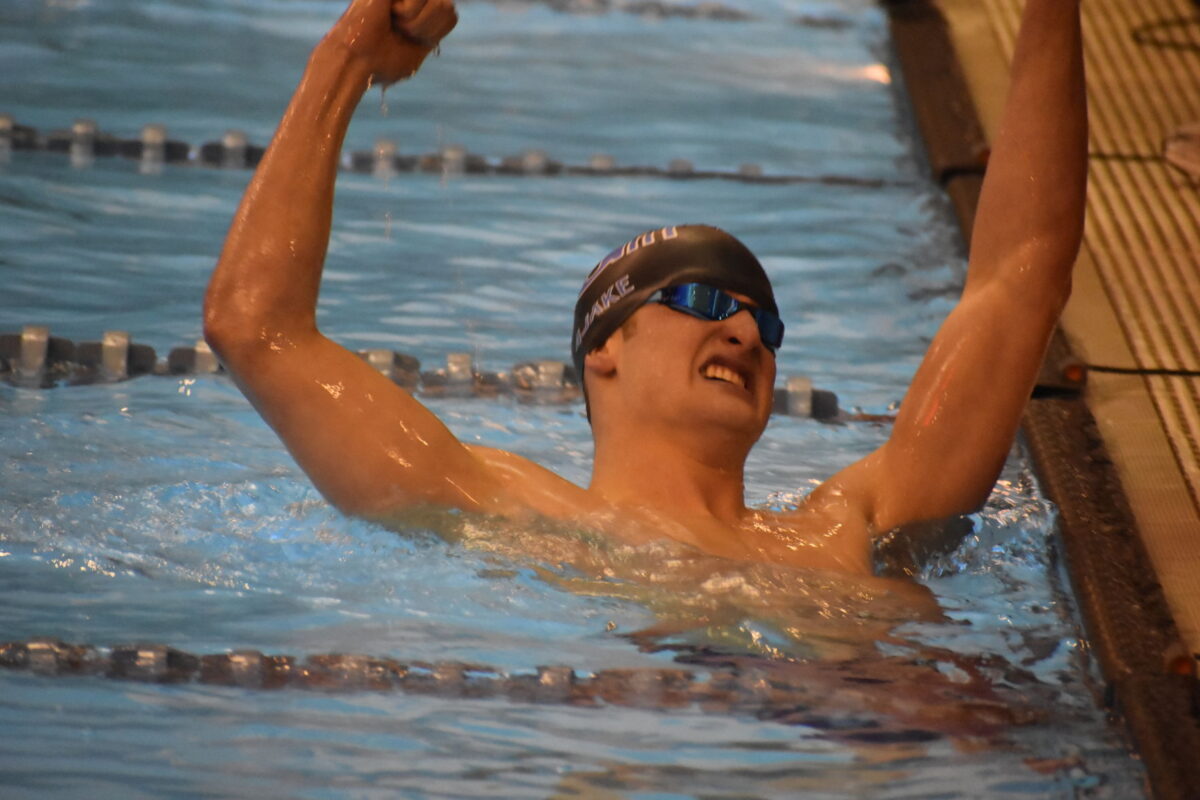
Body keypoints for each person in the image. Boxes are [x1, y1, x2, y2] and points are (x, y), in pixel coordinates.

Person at [204, 0, 1087, 578]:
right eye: (706, 302)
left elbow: (1020, 279)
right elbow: (256, 330)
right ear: (605, 348)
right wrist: (350, 54)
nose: (747, 333)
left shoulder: (845, 531)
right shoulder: (501, 510)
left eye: (764, 323)